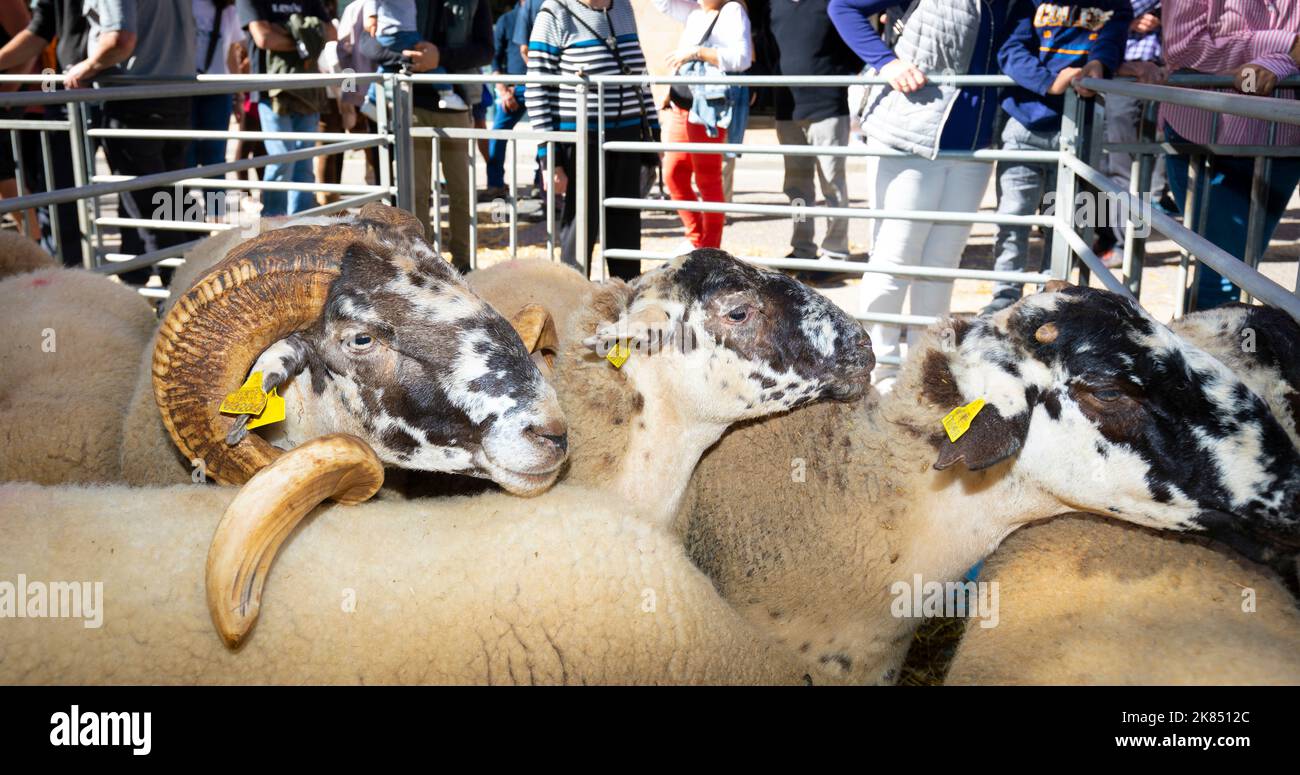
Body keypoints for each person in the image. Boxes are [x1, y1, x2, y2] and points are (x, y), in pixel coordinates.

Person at [831, 0, 1023, 387]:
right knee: (896, 257)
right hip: (911, 137)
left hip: (975, 146)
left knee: (941, 265)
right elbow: (843, 7)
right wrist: (886, 63)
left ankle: (926, 368)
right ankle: (877, 368)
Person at [984, 0, 1131, 313]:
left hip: (1078, 126)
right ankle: (1004, 296)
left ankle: (1049, 300)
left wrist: (1099, 66)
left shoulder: (1115, 5)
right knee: (1014, 214)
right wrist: (1048, 82)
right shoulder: (1030, 3)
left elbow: (1110, 42)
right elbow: (1011, 50)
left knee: (1065, 221)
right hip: (1024, 122)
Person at [1161, 1, 1300, 310]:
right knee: (1223, 271)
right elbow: (1184, 49)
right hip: (1204, 137)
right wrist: (1286, 45)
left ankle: (1196, 350)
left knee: (1237, 267)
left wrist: (1277, 64)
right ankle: (1202, 354)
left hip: (1284, 140)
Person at [526, 0, 658, 280]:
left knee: (625, 232)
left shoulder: (622, 7)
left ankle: (624, 305)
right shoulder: (554, 12)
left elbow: (640, 75)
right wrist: (550, 158)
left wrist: (653, 136)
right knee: (578, 232)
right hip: (579, 142)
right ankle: (572, 306)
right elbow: (537, 89)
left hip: (627, 137)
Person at [359, 0, 493, 271]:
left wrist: (440, 58)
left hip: (456, 103)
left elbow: (486, 51)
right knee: (414, 194)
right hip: (410, 106)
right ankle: (424, 263)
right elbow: (366, 43)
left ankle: (463, 265)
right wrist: (403, 59)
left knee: (461, 190)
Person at [653, 0, 752, 252]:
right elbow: (661, 3)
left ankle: (710, 251)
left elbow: (742, 58)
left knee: (708, 180)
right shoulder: (694, 12)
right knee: (673, 174)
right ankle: (697, 240)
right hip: (680, 105)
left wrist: (696, 52)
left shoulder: (732, 11)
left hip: (708, 107)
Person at [769, 0, 861, 266]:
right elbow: (767, 50)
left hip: (827, 108)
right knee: (796, 188)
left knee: (833, 186)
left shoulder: (830, 4)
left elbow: (852, 48)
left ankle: (836, 252)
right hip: (787, 110)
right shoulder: (774, 7)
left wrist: (836, 79)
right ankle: (802, 248)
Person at [237, 0, 336, 217]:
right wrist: (306, 37)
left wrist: (286, 33)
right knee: (281, 159)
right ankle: (274, 224)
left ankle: (300, 224)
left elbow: (331, 32)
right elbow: (263, 38)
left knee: (304, 160)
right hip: (270, 91)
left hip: (307, 89)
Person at [1094, 0, 1167, 268]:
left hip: (1140, 75)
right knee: (1100, 165)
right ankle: (1106, 238)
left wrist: (1151, 15)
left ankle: (1127, 245)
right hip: (1105, 71)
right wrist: (1124, 19)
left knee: (1128, 170)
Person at [365, 0, 466, 110]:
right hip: (399, 31)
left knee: (387, 68)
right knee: (426, 55)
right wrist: (372, 16)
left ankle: (372, 100)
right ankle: (446, 93)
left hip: (398, 30)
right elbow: (366, 43)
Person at [0, 0, 40, 239]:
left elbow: (32, 37)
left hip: (6, 98)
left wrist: (9, 88)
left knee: (5, 174)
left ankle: (34, 248)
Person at [191, 0, 242, 169]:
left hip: (218, 90)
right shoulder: (186, 5)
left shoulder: (228, 9)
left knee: (215, 157)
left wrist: (238, 93)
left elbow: (230, 54)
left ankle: (215, 196)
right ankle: (179, 197)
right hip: (185, 88)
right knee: (184, 154)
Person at [485, 0, 529, 200]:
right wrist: (503, 89)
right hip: (512, 88)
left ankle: (543, 184)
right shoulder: (506, 20)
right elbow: (494, 57)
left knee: (548, 134)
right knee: (498, 133)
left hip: (543, 85)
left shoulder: (546, 15)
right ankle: (495, 184)